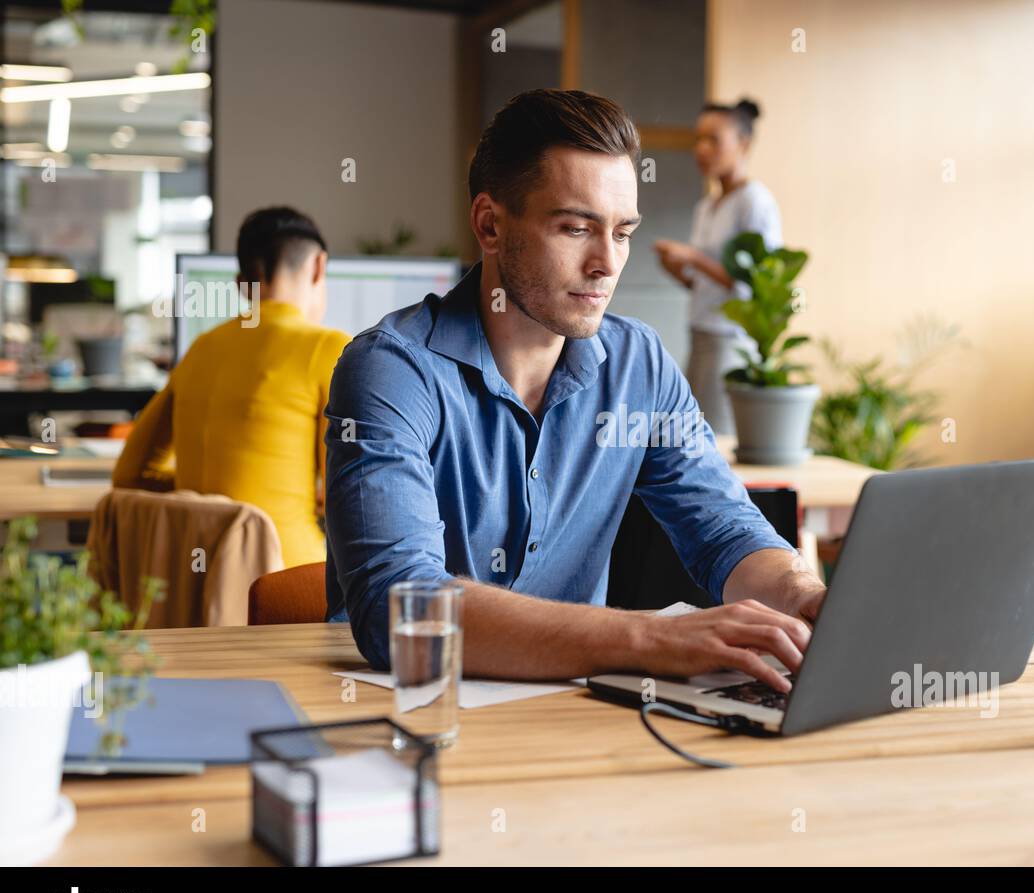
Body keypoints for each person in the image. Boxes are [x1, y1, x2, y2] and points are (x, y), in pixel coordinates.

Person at [325, 89, 825, 691]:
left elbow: (724, 531)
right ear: (489, 224)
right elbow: (399, 607)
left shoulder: (638, 364)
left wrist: (804, 596)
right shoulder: (391, 370)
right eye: (575, 228)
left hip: (575, 718)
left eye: (622, 232)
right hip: (408, 719)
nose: (607, 262)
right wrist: (652, 639)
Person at [113, 206, 349, 569]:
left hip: (195, 577)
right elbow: (347, 492)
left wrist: (212, 501)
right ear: (319, 266)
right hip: (285, 578)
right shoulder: (328, 348)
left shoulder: (201, 347)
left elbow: (130, 474)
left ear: (242, 284)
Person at [653, 98, 783, 435]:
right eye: (698, 139)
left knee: (716, 437)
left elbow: (756, 284)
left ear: (743, 144)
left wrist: (693, 257)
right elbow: (704, 284)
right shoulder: (707, 206)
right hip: (702, 332)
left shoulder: (754, 202)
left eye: (713, 139)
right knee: (689, 432)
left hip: (730, 339)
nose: (702, 149)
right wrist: (676, 268)